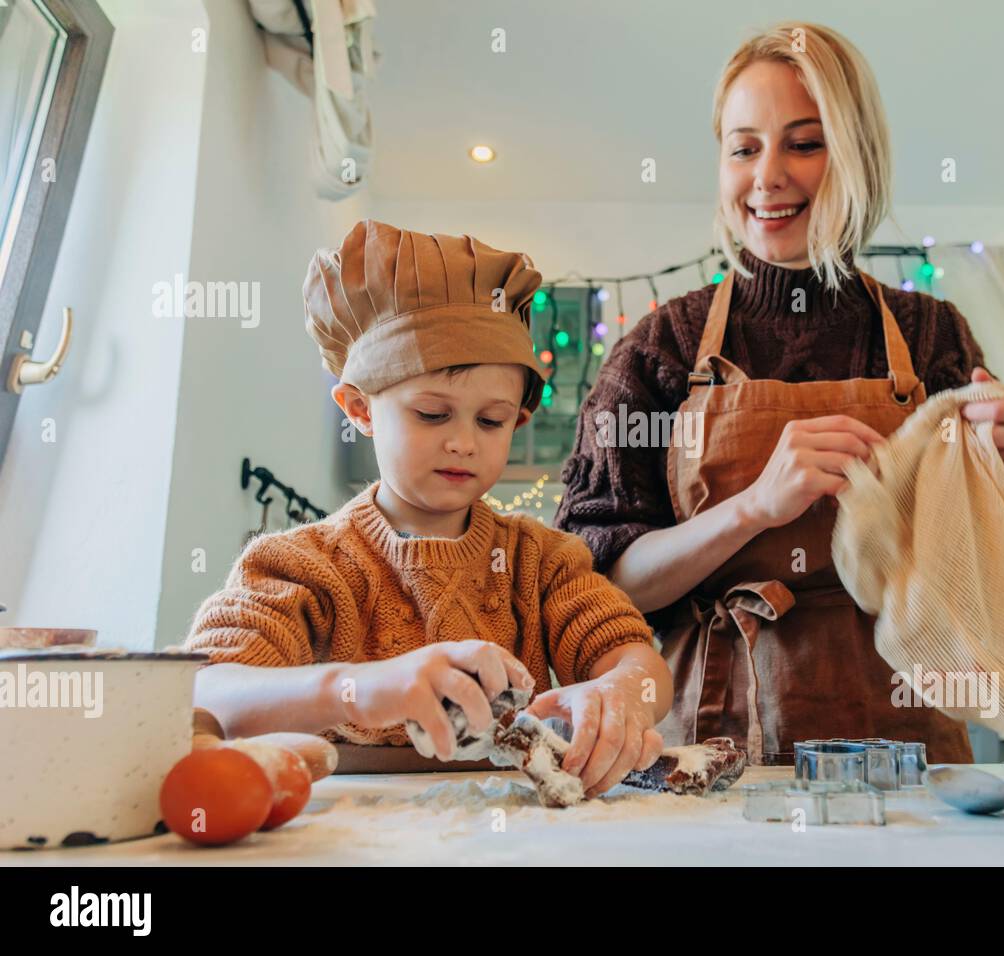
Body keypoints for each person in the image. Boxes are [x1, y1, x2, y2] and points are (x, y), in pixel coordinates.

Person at [556, 23, 1004, 764]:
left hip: (907, 748)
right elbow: (600, 591)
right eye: (744, 148)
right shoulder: (660, 347)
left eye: (804, 143)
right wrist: (753, 509)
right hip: (703, 751)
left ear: (857, 156)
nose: (767, 177)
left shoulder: (930, 336)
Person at [186, 220, 672, 797]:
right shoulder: (300, 565)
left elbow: (637, 662)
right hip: (348, 842)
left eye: (491, 421)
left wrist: (621, 693)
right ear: (359, 409)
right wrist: (359, 688)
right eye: (433, 414)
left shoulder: (543, 562)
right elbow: (203, 692)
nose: (464, 441)